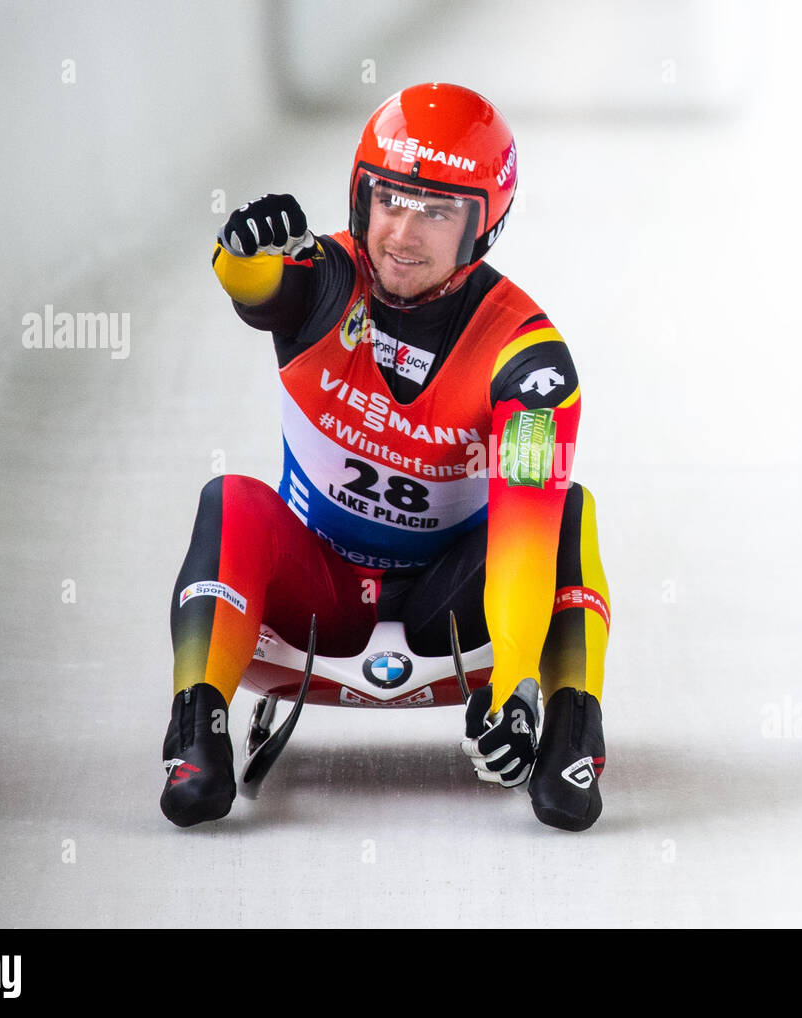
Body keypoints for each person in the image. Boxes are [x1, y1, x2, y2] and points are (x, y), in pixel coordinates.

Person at [159, 82, 611, 832]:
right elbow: (261, 286)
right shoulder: (329, 276)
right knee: (229, 499)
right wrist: (236, 255)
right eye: (389, 200)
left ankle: (569, 733)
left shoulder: (530, 360)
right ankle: (194, 732)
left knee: (566, 510)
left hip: (455, 606)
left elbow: (527, 533)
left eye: (439, 212)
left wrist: (517, 678)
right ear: (360, 199)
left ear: (484, 226)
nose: (403, 233)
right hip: (320, 590)